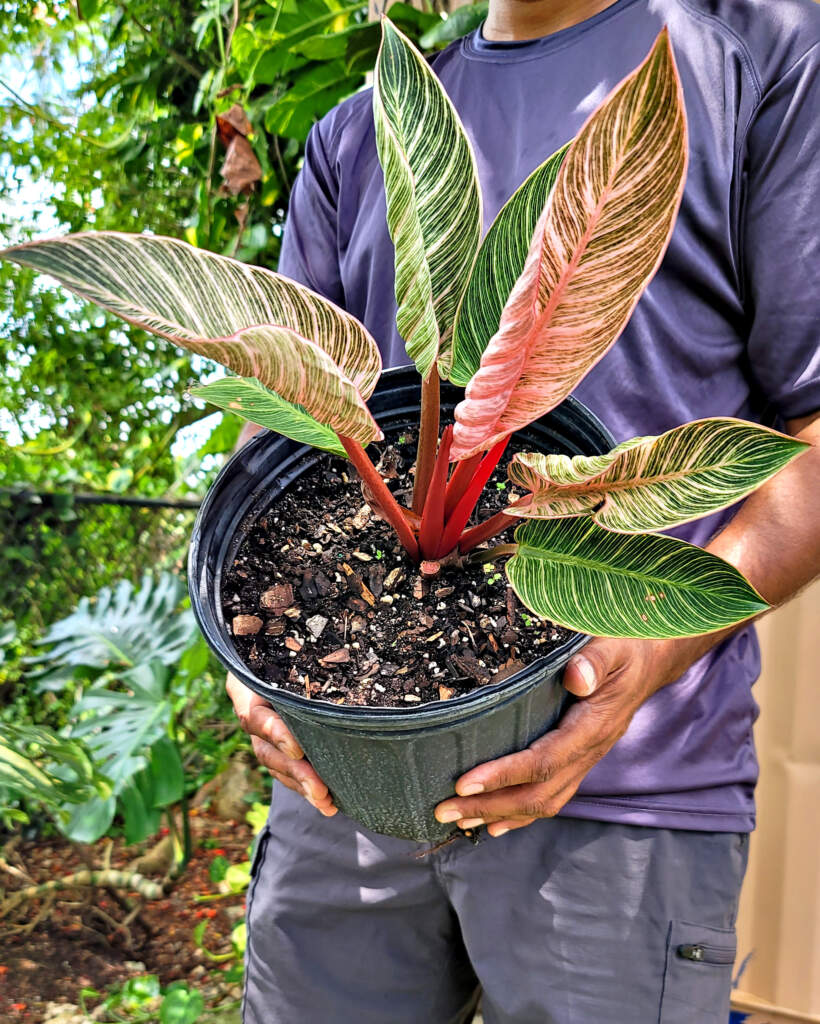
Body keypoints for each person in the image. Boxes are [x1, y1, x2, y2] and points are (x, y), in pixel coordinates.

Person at [227, 1, 820, 1020]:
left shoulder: (761, 50)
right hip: (345, 792)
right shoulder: (363, 125)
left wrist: (646, 659)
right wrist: (249, 669)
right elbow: (271, 440)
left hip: (624, 798)